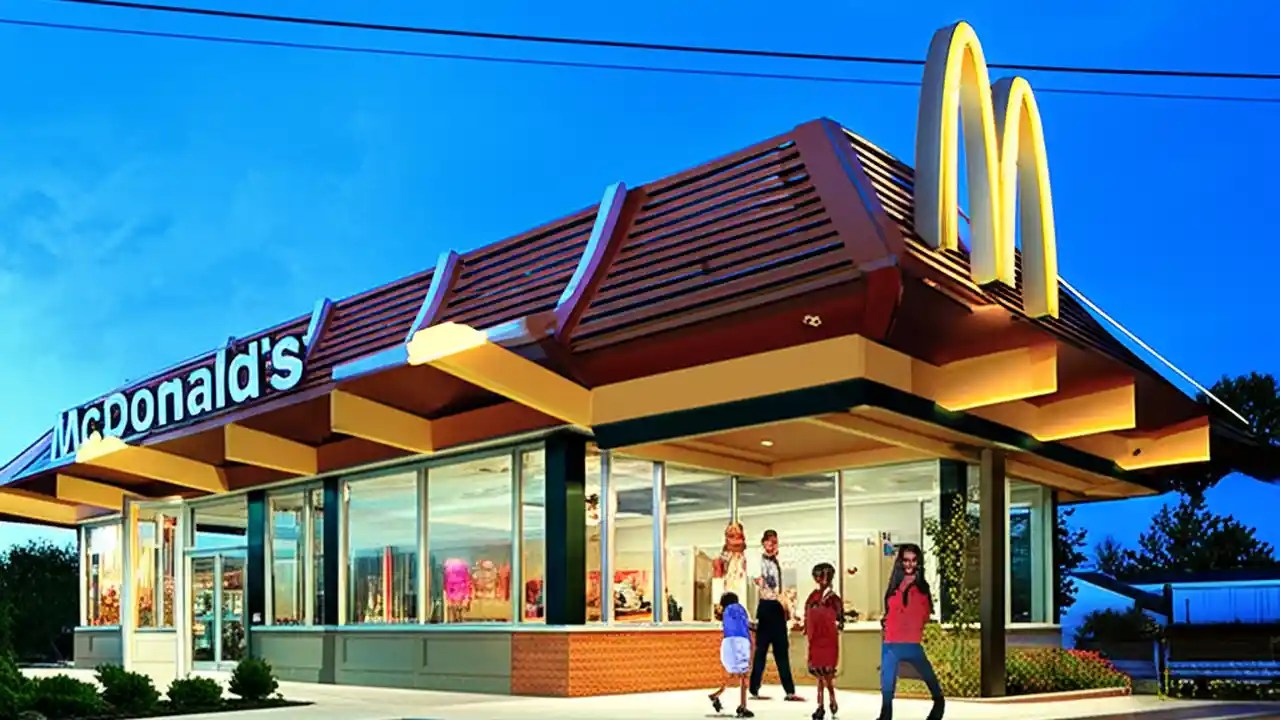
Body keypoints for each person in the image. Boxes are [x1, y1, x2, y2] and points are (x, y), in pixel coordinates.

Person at [877, 543, 944, 720]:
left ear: (918, 562)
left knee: (929, 677)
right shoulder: (895, 587)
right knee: (887, 683)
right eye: (906, 560)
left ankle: (939, 704)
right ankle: (885, 715)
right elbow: (891, 609)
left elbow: (923, 614)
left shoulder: (922, 588)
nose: (910, 564)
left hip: (912, 641)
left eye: (914, 560)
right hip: (892, 641)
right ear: (900, 562)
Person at [748, 529, 803, 702]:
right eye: (769, 542)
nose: (772, 545)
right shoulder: (758, 561)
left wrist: (790, 609)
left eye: (775, 542)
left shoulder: (779, 562)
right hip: (766, 606)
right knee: (761, 651)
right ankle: (754, 688)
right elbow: (759, 582)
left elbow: (785, 589)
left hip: (779, 608)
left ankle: (789, 690)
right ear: (763, 543)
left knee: (781, 650)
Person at [804, 562, 843, 720]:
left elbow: (840, 619)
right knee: (820, 674)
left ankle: (827, 702)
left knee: (826, 673)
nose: (821, 580)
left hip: (828, 638)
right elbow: (807, 615)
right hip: (816, 638)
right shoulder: (813, 596)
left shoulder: (833, 599)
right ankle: (823, 704)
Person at [709, 591, 754, 718]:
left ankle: (717, 694)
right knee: (744, 675)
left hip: (727, 642)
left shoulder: (725, 612)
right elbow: (746, 625)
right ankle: (742, 706)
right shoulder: (740, 609)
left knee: (733, 673)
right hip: (741, 641)